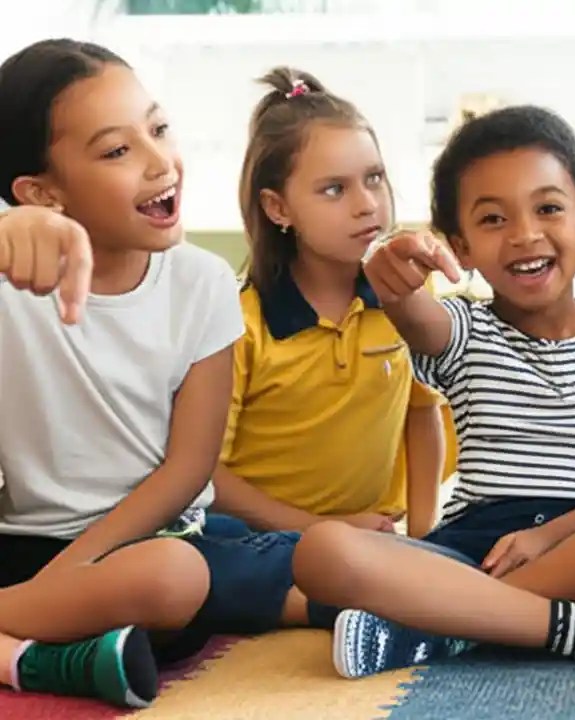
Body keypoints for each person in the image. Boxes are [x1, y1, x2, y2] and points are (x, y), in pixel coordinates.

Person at [292, 105, 575, 679]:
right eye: (493, 220)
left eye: (548, 208)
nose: (525, 235)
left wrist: (550, 536)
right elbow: (414, 315)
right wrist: (392, 274)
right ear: (460, 247)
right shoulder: (465, 329)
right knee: (321, 552)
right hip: (477, 550)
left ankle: (448, 625)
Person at [0, 39, 335, 707]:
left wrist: (61, 585)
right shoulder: (13, 275)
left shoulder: (203, 283)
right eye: (117, 151)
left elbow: (189, 469)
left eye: (158, 129)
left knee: (193, 574)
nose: (161, 164)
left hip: (153, 543)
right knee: (188, 589)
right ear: (41, 193)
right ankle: (40, 656)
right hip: (30, 545)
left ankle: (26, 642)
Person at [213, 66, 449, 539]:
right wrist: (321, 530)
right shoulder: (237, 324)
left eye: (375, 178)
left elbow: (422, 413)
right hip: (254, 541)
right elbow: (206, 477)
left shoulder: (404, 297)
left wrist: (425, 539)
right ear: (277, 208)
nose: (367, 204)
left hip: (374, 538)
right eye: (335, 189)